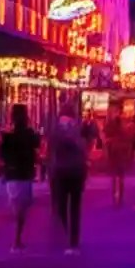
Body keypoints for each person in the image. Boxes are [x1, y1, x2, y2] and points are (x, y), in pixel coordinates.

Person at [47, 102, 90, 255]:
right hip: (76, 171)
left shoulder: (55, 130)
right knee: (75, 208)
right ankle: (74, 242)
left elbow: (51, 151)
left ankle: (66, 237)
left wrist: (49, 171)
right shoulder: (77, 130)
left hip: (61, 171)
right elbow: (83, 150)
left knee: (62, 206)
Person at [0, 104, 42, 252]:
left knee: (17, 206)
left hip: (12, 174)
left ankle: (17, 238)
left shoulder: (8, 135)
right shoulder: (29, 133)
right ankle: (17, 239)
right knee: (22, 208)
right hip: (24, 173)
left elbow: (2, 154)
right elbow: (37, 144)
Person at [103, 103, 134, 208]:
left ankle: (116, 196)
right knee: (119, 176)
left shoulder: (114, 124)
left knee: (116, 175)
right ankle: (118, 197)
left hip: (116, 152)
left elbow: (106, 137)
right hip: (118, 152)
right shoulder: (123, 124)